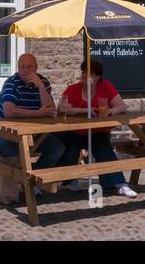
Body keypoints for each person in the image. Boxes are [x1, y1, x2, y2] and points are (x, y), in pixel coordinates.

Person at [56, 60, 139, 198]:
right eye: (83, 72)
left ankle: (120, 184)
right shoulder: (73, 89)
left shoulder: (105, 86)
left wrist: (111, 111)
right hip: (75, 132)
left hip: (97, 131)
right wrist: (83, 110)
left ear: (97, 76)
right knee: (70, 149)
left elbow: (122, 106)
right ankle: (70, 180)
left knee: (103, 148)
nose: (84, 75)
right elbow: (62, 108)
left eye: (89, 73)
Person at [0, 53, 67, 171]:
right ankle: (27, 181)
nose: (25, 70)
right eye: (22, 67)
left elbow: (50, 109)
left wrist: (41, 87)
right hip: (4, 133)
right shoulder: (12, 83)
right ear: (18, 68)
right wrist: (38, 113)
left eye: (29, 67)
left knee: (57, 147)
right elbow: (9, 111)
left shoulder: (43, 82)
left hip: (31, 134)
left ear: (36, 68)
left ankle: (32, 180)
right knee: (19, 151)